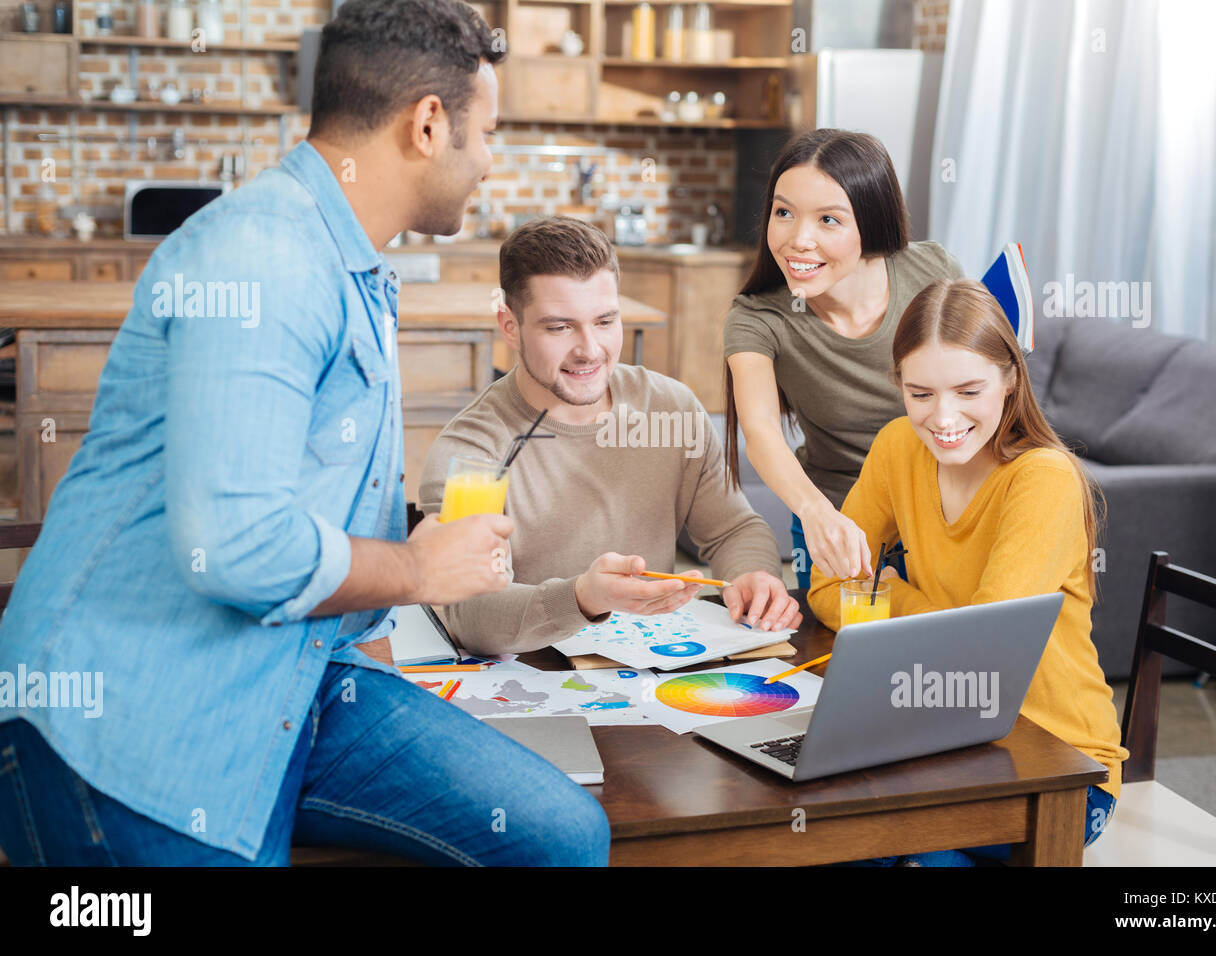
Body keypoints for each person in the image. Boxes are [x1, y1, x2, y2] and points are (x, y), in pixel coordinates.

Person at [0, 0, 610, 866]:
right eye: (489, 133)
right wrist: (417, 569)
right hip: (137, 716)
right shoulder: (266, 257)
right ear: (429, 125)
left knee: (561, 839)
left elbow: (322, 506)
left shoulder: (354, 264)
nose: (490, 161)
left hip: (303, 678)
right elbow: (238, 547)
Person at [808, 278, 1127, 865]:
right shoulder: (897, 446)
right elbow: (827, 585)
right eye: (920, 392)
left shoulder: (1043, 480)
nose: (943, 417)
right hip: (937, 734)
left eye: (968, 389)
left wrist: (890, 596)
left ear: (1010, 379)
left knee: (896, 854)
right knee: (827, 838)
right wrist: (919, 619)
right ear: (898, 384)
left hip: (1058, 765)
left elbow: (981, 654)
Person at [418, 216, 801, 654]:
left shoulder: (670, 408)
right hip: (529, 683)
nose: (589, 350)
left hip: (652, 672)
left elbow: (733, 528)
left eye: (604, 321)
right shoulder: (471, 451)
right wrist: (583, 597)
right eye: (559, 327)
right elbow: (471, 617)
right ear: (510, 326)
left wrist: (754, 575)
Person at [724, 128, 965, 590]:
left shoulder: (933, 274)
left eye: (828, 220)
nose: (798, 240)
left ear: (870, 222)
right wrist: (815, 513)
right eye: (783, 213)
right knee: (834, 656)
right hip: (837, 519)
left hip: (943, 515)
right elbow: (760, 432)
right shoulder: (757, 318)